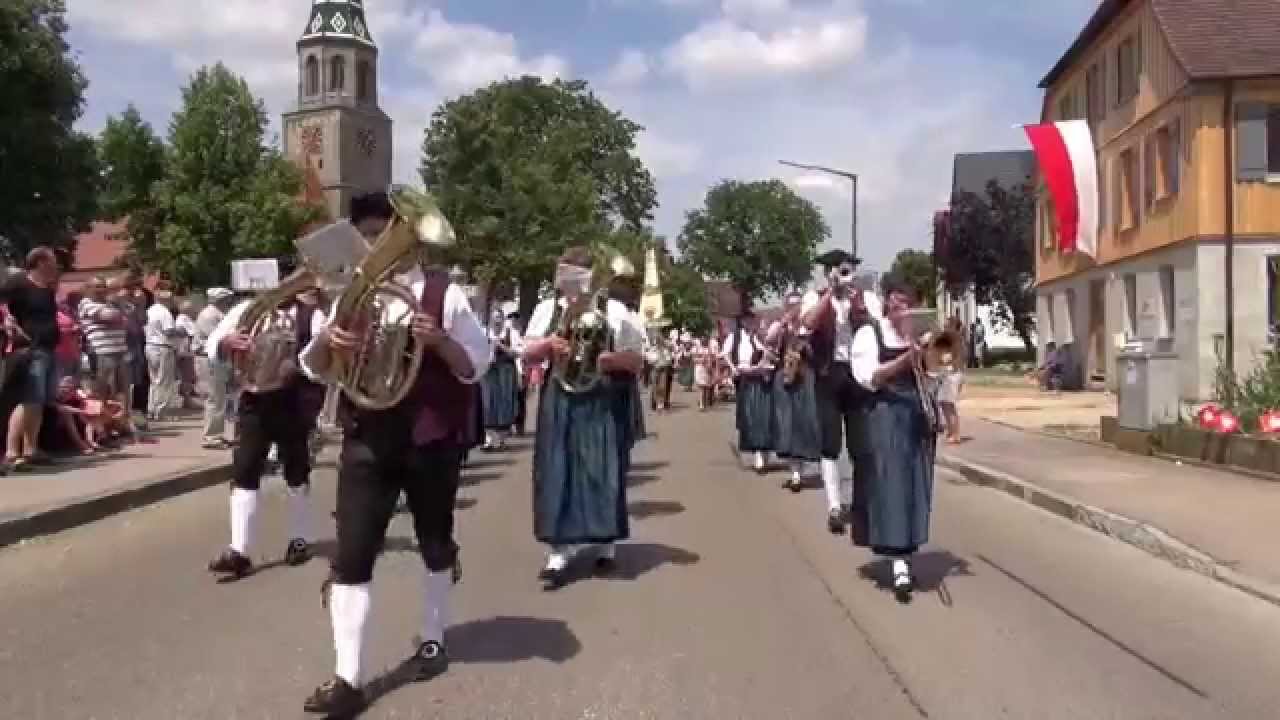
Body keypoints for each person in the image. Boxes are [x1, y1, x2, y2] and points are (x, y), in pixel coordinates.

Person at [298, 191, 490, 716]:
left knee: (433, 541)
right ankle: (347, 678)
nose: (378, 246)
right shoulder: (351, 296)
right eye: (371, 236)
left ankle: (433, 637)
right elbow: (313, 365)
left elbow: (478, 362)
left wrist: (441, 343)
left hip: (430, 437)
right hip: (367, 436)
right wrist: (332, 342)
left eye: (389, 234)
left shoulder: (445, 295)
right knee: (353, 555)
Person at [521, 246, 645, 588]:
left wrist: (610, 360)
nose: (566, 281)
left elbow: (637, 360)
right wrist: (547, 345)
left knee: (600, 467)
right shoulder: (548, 309)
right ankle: (559, 548)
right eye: (564, 273)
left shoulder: (615, 312)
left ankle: (605, 542)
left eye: (575, 275)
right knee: (556, 466)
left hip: (599, 396)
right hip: (559, 394)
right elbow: (526, 353)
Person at [205, 278, 328, 581]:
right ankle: (239, 551)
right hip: (253, 397)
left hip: (293, 399)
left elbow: (321, 354)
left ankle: (299, 537)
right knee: (245, 469)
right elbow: (213, 342)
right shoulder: (247, 309)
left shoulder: (311, 314)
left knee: (296, 471)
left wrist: (299, 365)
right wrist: (226, 343)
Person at [849, 281, 939, 602]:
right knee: (891, 485)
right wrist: (904, 360)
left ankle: (908, 552)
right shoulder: (870, 334)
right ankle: (899, 565)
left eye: (907, 305)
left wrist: (928, 357)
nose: (902, 310)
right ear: (887, 306)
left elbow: (932, 376)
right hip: (885, 415)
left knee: (914, 483)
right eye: (897, 304)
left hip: (914, 415)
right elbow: (869, 377)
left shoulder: (914, 337)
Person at [801, 251, 875, 535]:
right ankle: (834, 505)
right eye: (838, 271)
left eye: (847, 270)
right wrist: (830, 293)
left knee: (860, 445)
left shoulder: (864, 298)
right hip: (828, 374)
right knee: (830, 443)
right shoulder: (815, 296)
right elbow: (808, 323)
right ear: (827, 273)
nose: (844, 275)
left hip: (857, 374)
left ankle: (858, 504)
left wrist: (857, 300)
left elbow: (873, 327)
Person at [0, 247, 62, 470]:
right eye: (53, 261)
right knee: (28, 399)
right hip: (29, 349)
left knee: (39, 402)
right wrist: (7, 320)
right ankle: (11, 451)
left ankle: (31, 449)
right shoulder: (19, 282)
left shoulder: (46, 288)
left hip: (47, 348)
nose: (56, 265)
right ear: (40, 262)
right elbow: (2, 300)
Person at [768, 292, 822, 491]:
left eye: (797, 305)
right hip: (784, 378)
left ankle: (807, 466)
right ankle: (795, 474)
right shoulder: (780, 326)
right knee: (786, 424)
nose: (794, 309)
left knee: (805, 423)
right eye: (790, 305)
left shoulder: (810, 328)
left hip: (805, 378)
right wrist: (783, 323)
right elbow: (770, 340)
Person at [78, 276, 132, 436]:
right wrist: (119, 311)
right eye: (97, 287)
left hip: (120, 351)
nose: (102, 289)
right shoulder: (86, 303)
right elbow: (109, 316)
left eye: (103, 286)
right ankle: (101, 430)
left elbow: (130, 313)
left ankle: (119, 424)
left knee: (122, 391)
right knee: (102, 391)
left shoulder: (110, 303)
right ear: (88, 288)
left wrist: (119, 309)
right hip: (101, 352)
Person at [722, 309, 773, 472]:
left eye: (751, 320)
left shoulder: (759, 336)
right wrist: (732, 368)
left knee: (763, 416)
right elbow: (724, 353)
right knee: (750, 416)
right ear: (742, 322)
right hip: (744, 378)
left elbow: (769, 352)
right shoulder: (734, 337)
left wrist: (764, 361)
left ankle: (763, 451)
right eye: (746, 320)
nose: (749, 323)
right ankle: (757, 452)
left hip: (761, 377)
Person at [195, 288, 236, 448]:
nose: (229, 302)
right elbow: (217, 338)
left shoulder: (218, 314)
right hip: (209, 359)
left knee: (219, 399)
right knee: (214, 398)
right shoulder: (210, 315)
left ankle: (217, 433)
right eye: (227, 299)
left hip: (215, 359)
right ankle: (211, 437)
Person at [481, 306, 521, 451]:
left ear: (503, 319)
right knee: (488, 402)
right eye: (494, 317)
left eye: (499, 317)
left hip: (505, 371)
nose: (496, 320)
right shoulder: (484, 332)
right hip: (489, 371)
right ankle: (489, 439)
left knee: (504, 403)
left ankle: (501, 439)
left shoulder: (511, 333)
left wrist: (500, 345)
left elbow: (517, 353)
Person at [143, 290, 184, 421]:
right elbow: (169, 331)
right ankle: (161, 412)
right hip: (163, 347)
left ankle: (151, 409)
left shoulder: (149, 310)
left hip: (150, 345)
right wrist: (181, 331)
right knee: (164, 381)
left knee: (154, 380)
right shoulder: (165, 312)